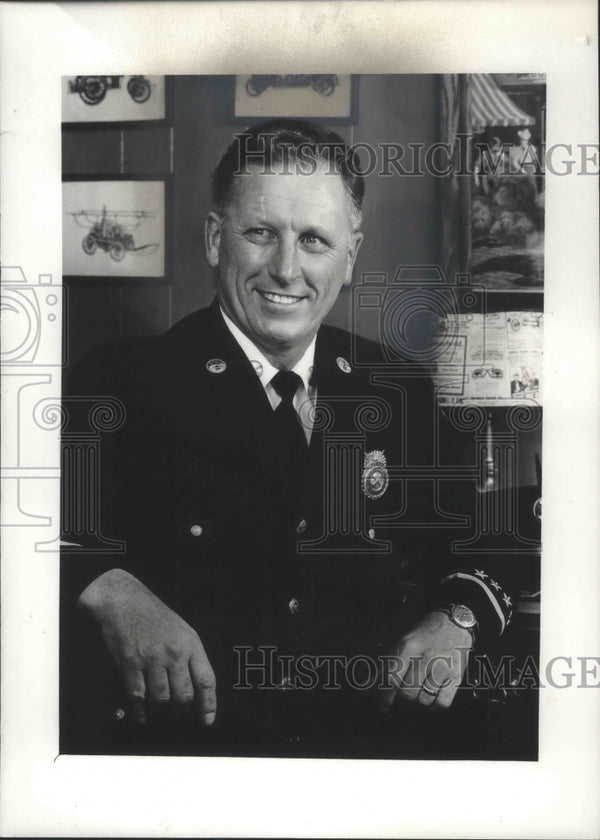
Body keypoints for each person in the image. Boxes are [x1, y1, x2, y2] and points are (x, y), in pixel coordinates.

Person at [61, 119, 520, 759]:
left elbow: (488, 538)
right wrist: (111, 590)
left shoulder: (402, 393)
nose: (286, 269)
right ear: (216, 239)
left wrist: (459, 616)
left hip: (371, 754)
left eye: (313, 240)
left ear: (350, 256)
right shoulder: (119, 382)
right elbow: (34, 534)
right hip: (191, 761)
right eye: (260, 233)